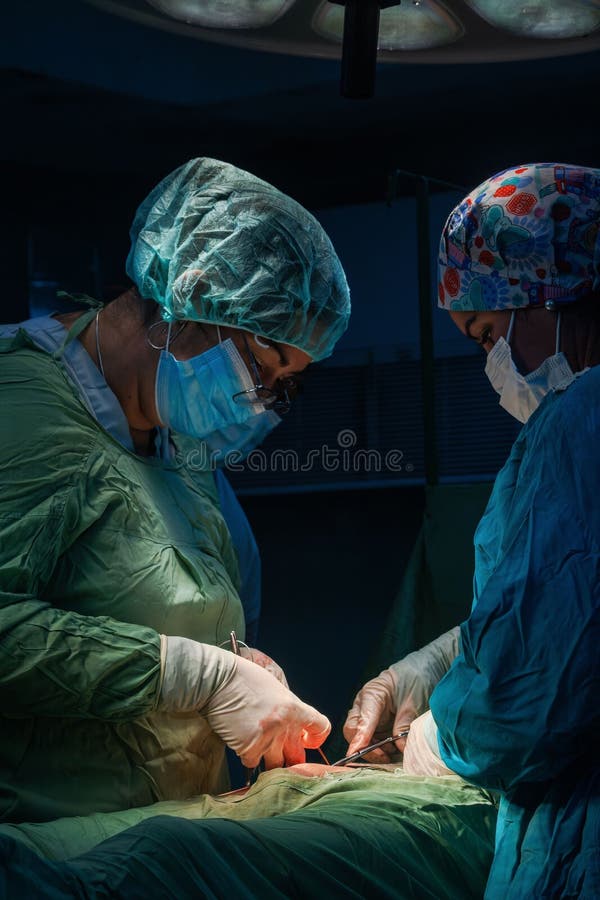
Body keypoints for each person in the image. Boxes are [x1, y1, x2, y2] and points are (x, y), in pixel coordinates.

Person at [0, 157, 350, 823]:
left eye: (285, 385)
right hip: (51, 851)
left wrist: (234, 659)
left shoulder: (179, 443)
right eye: (260, 365)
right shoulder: (24, 412)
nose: (259, 402)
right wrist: (188, 673)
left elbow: (153, 596)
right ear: (187, 298)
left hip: (170, 836)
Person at [344, 163, 600, 897]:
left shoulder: (580, 424)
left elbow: (531, 706)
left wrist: (436, 738)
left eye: (489, 332)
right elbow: (580, 606)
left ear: (547, 289)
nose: (494, 363)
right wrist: (440, 660)